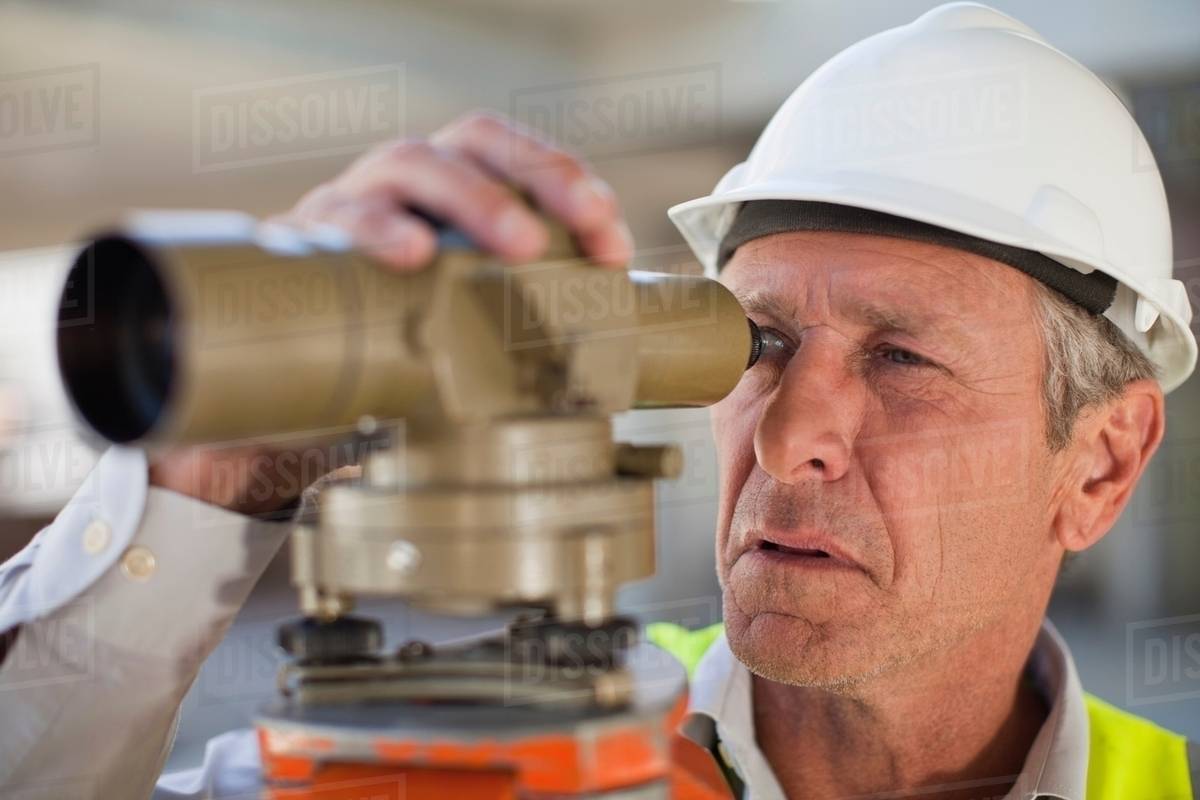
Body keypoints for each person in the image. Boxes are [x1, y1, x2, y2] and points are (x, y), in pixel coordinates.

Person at [1, 4, 1196, 798]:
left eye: (901, 360)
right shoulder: (512, 751)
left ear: (1100, 463)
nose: (786, 435)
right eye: (760, 340)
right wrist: (208, 482)